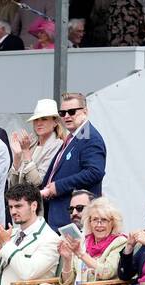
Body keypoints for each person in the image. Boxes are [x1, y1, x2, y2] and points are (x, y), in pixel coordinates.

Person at [39, 93, 105, 230]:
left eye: (72, 112)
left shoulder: (90, 138)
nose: (67, 116)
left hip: (73, 218)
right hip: (59, 216)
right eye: (62, 113)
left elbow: (95, 172)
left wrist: (58, 186)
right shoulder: (75, 137)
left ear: (85, 112)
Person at [8, 99, 64, 193]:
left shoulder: (58, 145)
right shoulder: (30, 143)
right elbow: (12, 185)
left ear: (55, 122)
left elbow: (37, 183)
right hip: (20, 202)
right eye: (36, 119)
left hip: (38, 205)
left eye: (44, 119)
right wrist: (17, 156)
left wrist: (26, 152)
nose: (39, 123)